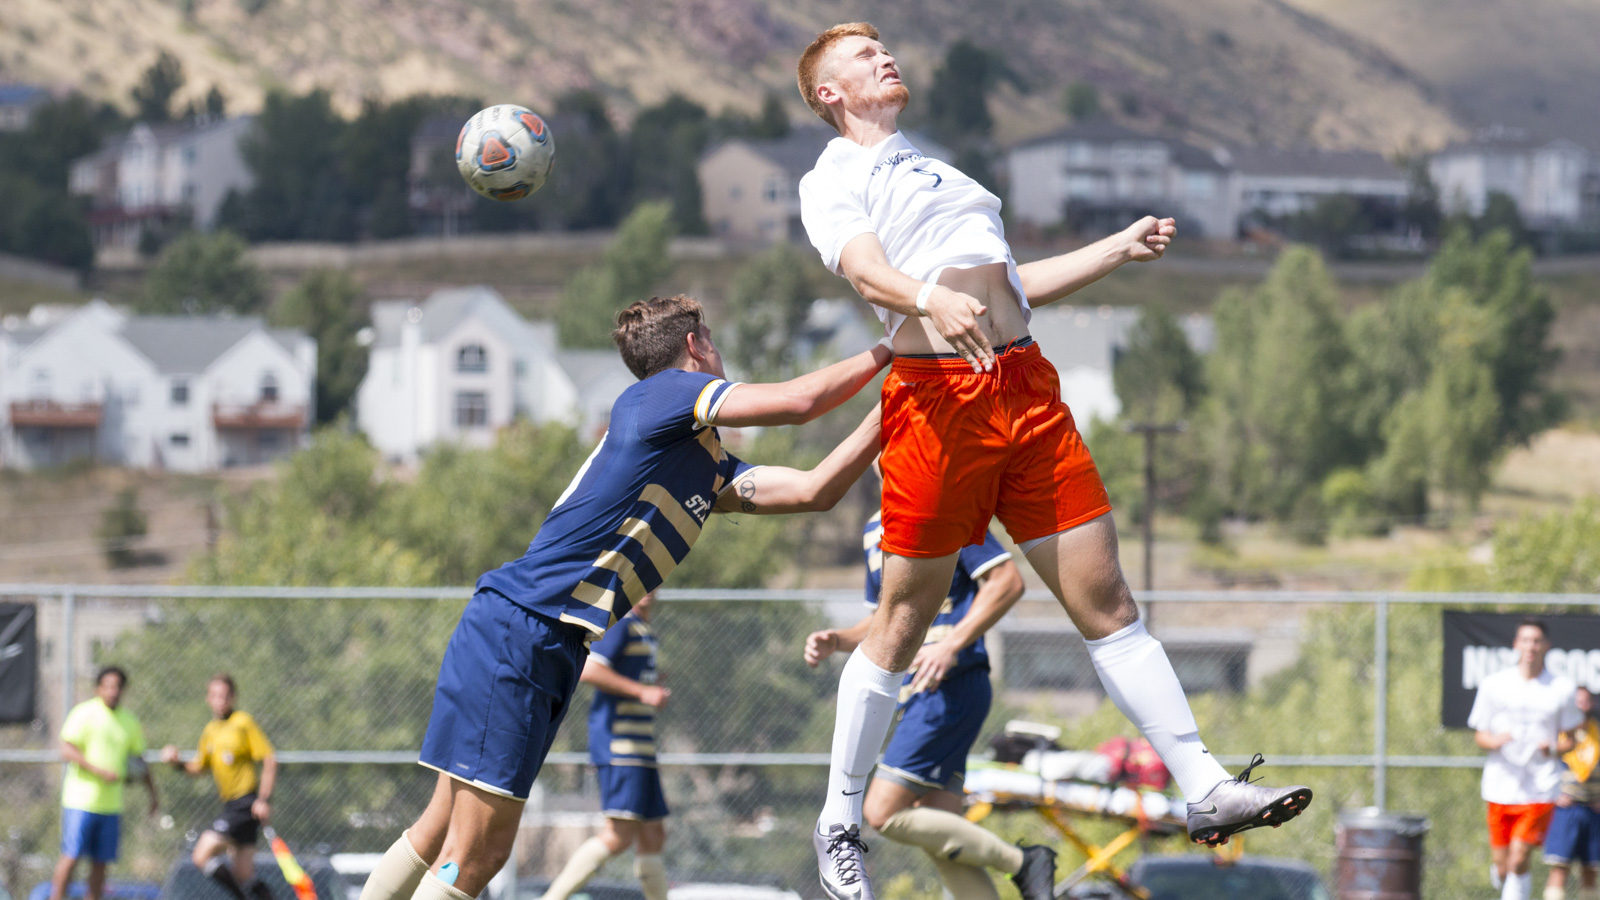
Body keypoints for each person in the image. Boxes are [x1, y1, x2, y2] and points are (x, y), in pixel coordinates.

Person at [793, 22, 1311, 899]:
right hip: (935, 400)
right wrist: (930, 297)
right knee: (903, 621)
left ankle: (1205, 787)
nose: (885, 54)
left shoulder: (938, 169)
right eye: (862, 53)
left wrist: (1116, 248)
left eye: (883, 45)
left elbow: (1011, 288)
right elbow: (868, 272)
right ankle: (840, 820)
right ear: (828, 94)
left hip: (1024, 387)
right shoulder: (833, 175)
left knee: (1107, 602)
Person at [354, 294, 892, 900]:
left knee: (437, 831)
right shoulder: (663, 394)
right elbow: (799, 403)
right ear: (695, 345)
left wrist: (895, 404)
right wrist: (892, 349)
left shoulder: (701, 459)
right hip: (525, 632)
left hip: (532, 635)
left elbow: (815, 490)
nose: (719, 353)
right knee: (475, 855)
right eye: (713, 340)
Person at [805, 507, 1054, 900]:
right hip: (919, 692)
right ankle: (1019, 867)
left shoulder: (941, 505)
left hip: (949, 687)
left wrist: (951, 645)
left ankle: (1024, 861)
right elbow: (885, 620)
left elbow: (1007, 581)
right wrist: (838, 639)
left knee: (881, 811)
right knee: (940, 828)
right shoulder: (872, 528)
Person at [543, 592, 671, 900]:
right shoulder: (622, 624)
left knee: (653, 835)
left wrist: (649, 686)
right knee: (618, 835)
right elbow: (589, 669)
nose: (648, 590)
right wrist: (641, 691)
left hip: (641, 747)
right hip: (620, 745)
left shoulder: (643, 628)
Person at [1470, 618, 1583, 900]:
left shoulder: (1561, 688)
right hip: (1501, 785)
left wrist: (1553, 749)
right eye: (1525, 640)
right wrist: (1494, 741)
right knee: (1504, 864)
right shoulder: (1495, 684)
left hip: (1540, 787)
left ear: (1546, 645)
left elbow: (1570, 740)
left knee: (1520, 855)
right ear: (1516, 644)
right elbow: (1480, 734)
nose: (1531, 646)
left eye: (1536, 641)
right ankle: (1502, 875)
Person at [160, 674, 278, 900]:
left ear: (233, 697)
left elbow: (269, 759)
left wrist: (263, 799)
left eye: (224, 695)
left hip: (245, 802)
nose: (220, 700)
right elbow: (199, 767)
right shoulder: (211, 730)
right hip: (230, 804)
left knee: (201, 854)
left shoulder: (243, 722)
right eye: (214, 695)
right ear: (208, 698)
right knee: (244, 874)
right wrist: (177, 762)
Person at [49, 666, 159, 900]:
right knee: (71, 857)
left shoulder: (129, 721)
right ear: (98, 689)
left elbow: (139, 761)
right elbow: (66, 749)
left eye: (117, 687)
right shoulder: (84, 713)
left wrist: (153, 795)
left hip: (111, 805)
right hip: (81, 802)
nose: (113, 691)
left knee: (101, 864)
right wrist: (98, 770)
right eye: (108, 686)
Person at [1546, 686, 1600, 900]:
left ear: (1592, 703)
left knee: (1591, 869)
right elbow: (1544, 766)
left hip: (1594, 810)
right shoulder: (1560, 734)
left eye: (1587, 700)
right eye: (1578, 700)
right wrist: (1553, 794)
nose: (1582, 705)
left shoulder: (1597, 732)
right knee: (1560, 867)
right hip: (1566, 809)